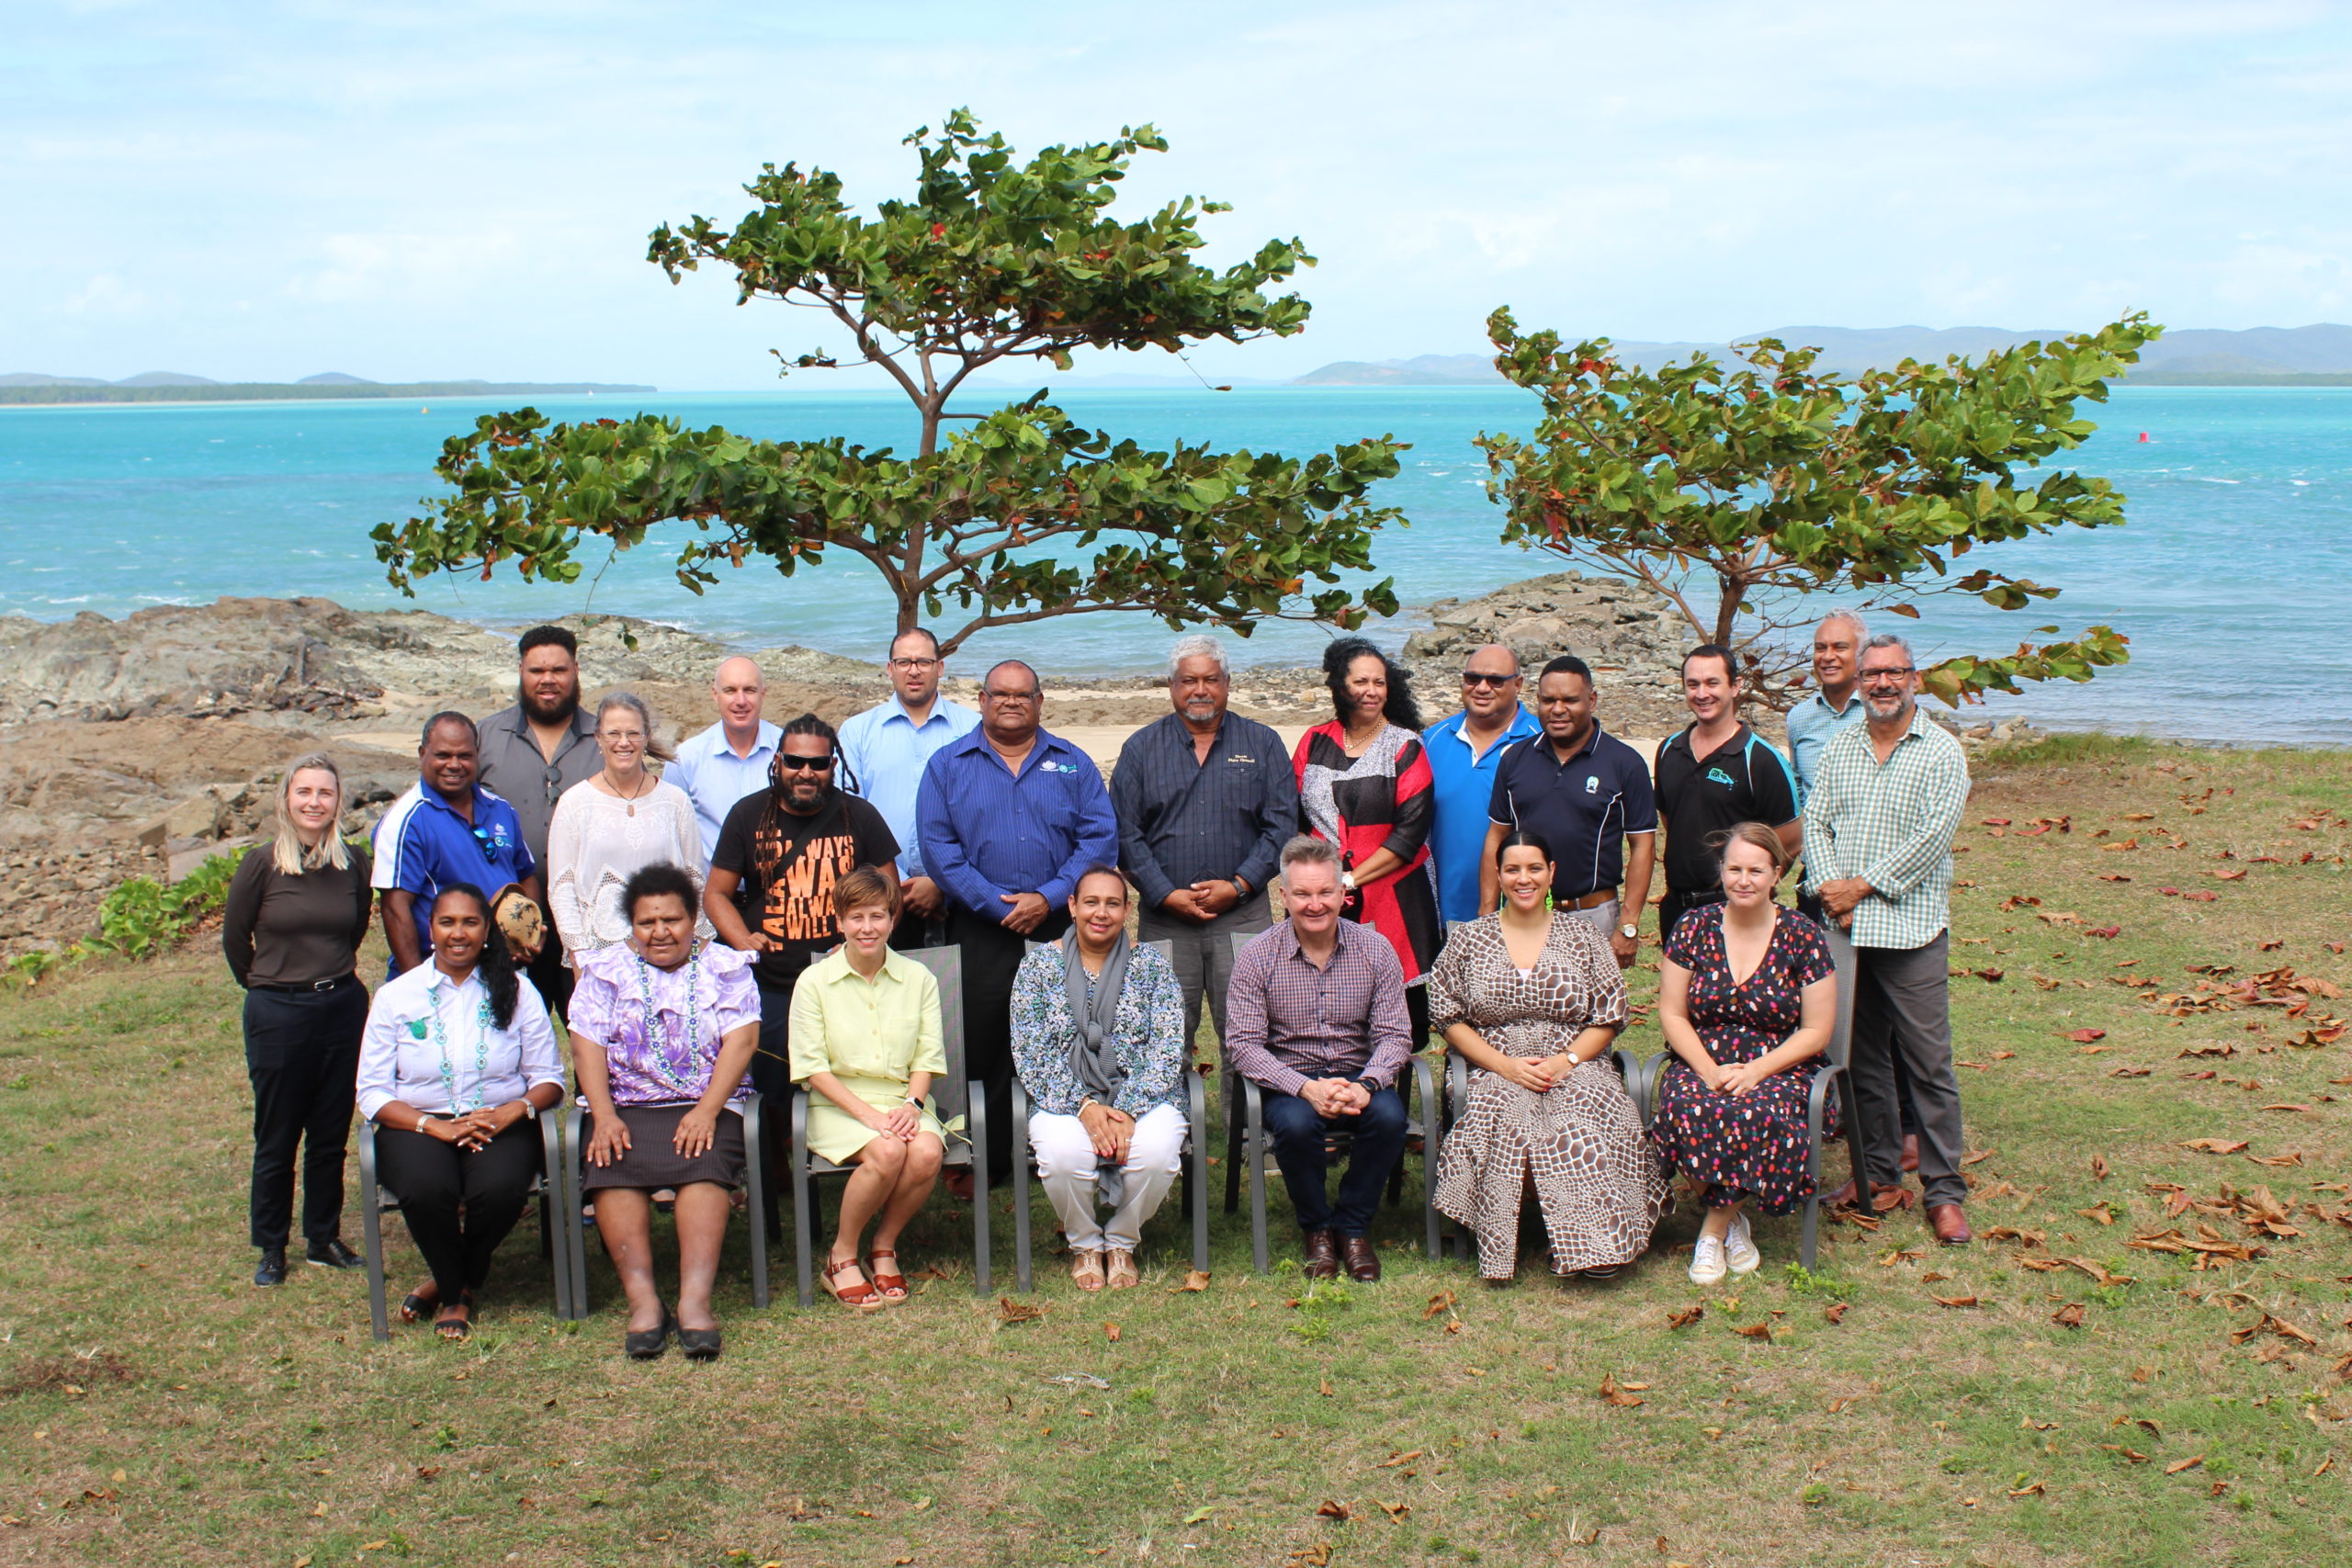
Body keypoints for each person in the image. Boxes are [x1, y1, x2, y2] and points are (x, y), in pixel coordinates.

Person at [1428, 831, 1665, 1282]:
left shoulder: (1582, 936)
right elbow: (1448, 1017)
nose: (1524, 878)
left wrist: (1565, 1062)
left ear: (1551, 873)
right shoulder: (1470, 939)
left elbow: (1608, 1016)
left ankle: (1598, 1244)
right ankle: (1511, 1236)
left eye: (1534, 868)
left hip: (1574, 1060)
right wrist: (1504, 1065)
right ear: (1497, 875)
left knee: (1582, 1116)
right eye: (1512, 869)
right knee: (1511, 1116)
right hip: (1494, 1064)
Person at [1803, 634, 1974, 1246]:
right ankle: (1875, 1175)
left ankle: (1944, 1190)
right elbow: (1816, 819)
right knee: (1860, 1061)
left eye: (1893, 672)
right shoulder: (1843, 746)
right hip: (1846, 932)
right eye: (1872, 673)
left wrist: (1862, 888)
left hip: (1910, 930)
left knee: (1928, 1064)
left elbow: (1931, 841)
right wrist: (1828, 888)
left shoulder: (1941, 753)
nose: (1881, 683)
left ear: (1914, 679)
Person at [917, 660, 1117, 1181]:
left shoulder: (1071, 763)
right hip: (981, 928)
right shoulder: (947, 765)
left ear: (1039, 702)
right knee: (980, 1041)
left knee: (1064, 1035)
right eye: (999, 694)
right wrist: (998, 905)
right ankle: (983, 1158)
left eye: (1022, 694)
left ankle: (1057, 1154)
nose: (1010, 702)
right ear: (981, 700)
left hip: (1057, 928)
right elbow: (939, 850)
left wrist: (1048, 898)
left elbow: (1098, 839)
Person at [567, 865, 762, 1359]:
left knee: (704, 1167)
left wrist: (706, 1111)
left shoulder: (726, 966)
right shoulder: (603, 971)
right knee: (612, 1164)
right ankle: (644, 1303)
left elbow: (743, 1040)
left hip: (710, 1103)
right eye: (647, 922)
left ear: (694, 919)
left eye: (672, 920)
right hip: (626, 1105)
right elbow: (585, 1045)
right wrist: (605, 1115)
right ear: (631, 925)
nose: (660, 932)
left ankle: (695, 1303)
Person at [356, 884, 565, 1339]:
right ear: (430, 929)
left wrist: (511, 1112)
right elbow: (371, 1091)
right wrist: (434, 1127)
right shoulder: (397, 996)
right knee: (426, 1188)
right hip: (416, 1123)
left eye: (470, 922)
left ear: (487, 930)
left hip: (497, 1119)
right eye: (447, 922)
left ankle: (446, 1281)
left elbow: (550, 1079)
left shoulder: (516, 990)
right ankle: (456, 1295)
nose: (458, 933)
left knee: (501, 1190)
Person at [707, 712, 900, 1185]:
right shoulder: (748, 814)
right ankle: (774, 1174)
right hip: (769, 980)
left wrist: (860, 945)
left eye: (818, 764)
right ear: (778, 762)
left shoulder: (859, 815)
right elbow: (715, 893)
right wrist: (741, 939)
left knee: (845, 1072)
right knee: (769, 1080)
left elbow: (890, 893)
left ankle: (849, 1154)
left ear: (833, 765)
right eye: (795, 761)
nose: (806, 773)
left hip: (844, 981)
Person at [1648, 823, 1838, 1284]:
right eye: (1734, 868)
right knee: (1686, 1105)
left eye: (1756, 870)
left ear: (1776, 874)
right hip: (1703, 1057)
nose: (1743, 879)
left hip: (1781, 1063)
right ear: (1722, 871)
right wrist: (1709, 1070)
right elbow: (1672, 1014)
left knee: (1757, 1111)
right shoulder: (1694, 927)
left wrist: (1757, 1070)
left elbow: (1816, 1030)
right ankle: (1734, 1223)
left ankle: (1712, 1232)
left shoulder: (1802, 934)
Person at [1225, 836, 1413, 1284]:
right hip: (1291, 1079)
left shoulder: (1376, 950)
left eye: (1325, 892)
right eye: (1303, 894)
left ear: (1343, 894)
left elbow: (1395, 1034)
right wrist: (1306, 1088)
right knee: (1295, 1124)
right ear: (1284, 897)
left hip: (1358, 1075)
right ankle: (1317, 1229)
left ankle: (1352, 1226)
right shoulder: (1257, 957)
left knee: (1389, 1118)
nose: (1315, 905)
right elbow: (1244, 1044)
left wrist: (1367, 1085)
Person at [223, 754, 373, 1287]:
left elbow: (353, 930)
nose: (314, 802)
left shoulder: (352, 863)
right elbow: (235, 942)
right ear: (286, 798)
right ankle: (271, 1245)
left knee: (330, 1130)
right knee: (278, 1131)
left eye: (325, 793)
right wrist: (274, 985)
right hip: (277, 1012)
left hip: (341, 1007)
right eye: (304, 791)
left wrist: (325, 980)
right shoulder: (261, 864)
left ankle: (323, 1237)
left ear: (338, 802)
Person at [1112, 634, 1295, 1056]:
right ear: (1172, 686)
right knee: (1163, 1034)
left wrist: (1240, 884)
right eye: (1189, 680)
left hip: (1244, 915)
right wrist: (1163, 893)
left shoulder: (1262, 744)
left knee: (1249, 1032)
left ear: (1227, 684)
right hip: (1166, 919)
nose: (1200, 690)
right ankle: (1171, 1122)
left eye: (1210, 680)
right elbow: (1124, 831)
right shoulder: (1141, 749)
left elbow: (1282, 825)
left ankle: (1245, 1123)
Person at [1009, 867, 1191, 1291]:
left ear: (1127, 910)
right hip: (1063, 1098)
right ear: (1072, 906)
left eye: (1113, 903)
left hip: (1145, 1096)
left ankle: (1123, 1239)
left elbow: (1167, 1047)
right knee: (1062, 1155)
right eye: (1091, 902)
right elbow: (1031, 1052)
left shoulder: (1153, 968)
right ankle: (1086, 1243)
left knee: (1159, 1150)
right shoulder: (1037, 968)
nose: (1101, 913)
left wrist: (1126, 1107)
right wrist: (1085, 1108)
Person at [1786, 609, 1920, 1176]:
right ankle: (1842, 1109)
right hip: (1821, 880)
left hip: (1882, 884)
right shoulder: (1800, 720)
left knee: (1892, 1015)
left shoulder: (1887, 714)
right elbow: (1803, 805)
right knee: (1832, 1008)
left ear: (1864, 659)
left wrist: (1863, 884)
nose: (1828, 656)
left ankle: (1908, 1125)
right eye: (1819, 647)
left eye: (1840, 647)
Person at [789, 868, 949, 1310]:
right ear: (839, 920)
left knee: (926, 1152)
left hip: (903, 1099)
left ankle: (883, 1245)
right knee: (889, 1150)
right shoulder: (814, 982)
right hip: (837, 1103)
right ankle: (841, 1255)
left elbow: (927, 1057)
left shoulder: (919, 978)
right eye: (856, 917)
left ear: (893, 919)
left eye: (877, 916)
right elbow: (812, 1069)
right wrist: (871, 1117)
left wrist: (913, 1105)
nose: (867, 928)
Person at [1293, 637, 1442, 1046]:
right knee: (1331, 1007)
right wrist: (1324, 878)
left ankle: (1390, 1098)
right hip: (1325, 894)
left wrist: (1351, 880)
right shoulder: (1314, 741)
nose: (1371, 691)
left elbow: (1409, 834)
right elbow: (1297, 815)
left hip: (1395, 893)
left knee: (1400, 1020)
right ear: (1341, 686)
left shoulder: (1405, 745)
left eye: (1379, 682)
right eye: (1361, 681)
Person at [1482, 656, 1657, 968]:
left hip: (1593, 915)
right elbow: (1497, 835)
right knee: (1524, 1008)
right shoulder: (1515, 759)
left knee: (1592, 1014)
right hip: (1524, 911)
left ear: (1591, 700)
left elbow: (1642, 845)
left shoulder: (1624, 762)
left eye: (1569, 700)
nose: (1558, 709)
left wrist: (1628, 925)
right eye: (1548, 700)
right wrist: (1486, 914)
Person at [473, 626, 601, 1018]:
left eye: (559, 670)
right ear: (520, 671)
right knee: (506, 1039)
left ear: (576, 670)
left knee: (594, 1040)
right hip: (505, 925)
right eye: (536, 670)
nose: (548, 680)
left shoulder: (606, 740)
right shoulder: (485, 738)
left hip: (588, 928)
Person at [839, 627, 980, 948]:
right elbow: (848, 815)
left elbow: (984, 815)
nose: (914, 670)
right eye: (904, 662)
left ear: (940, 668)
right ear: (890, 669)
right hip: (880, 895)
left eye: (924, 662)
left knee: (953, 993)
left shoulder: (973, 728)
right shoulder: (858, 732)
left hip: (960, 895)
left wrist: (941, 882)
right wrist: (896, 882)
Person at [371, 712, 540, 977]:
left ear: (478, 754)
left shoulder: (501, 809)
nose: (454, 764)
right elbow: (395, 909)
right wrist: (417, 987)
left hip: (502, 971)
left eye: (464, 755)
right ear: (422, 753)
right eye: (443, 755)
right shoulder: (406, 822)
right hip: (442, 974)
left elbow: (526, 873)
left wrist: (527, 930)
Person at [545, 692, 708, 965]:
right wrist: (579, 955)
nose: (624, 743)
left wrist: (694, 949)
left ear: (645, 738)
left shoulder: (675, 801)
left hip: (666, 951)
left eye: (633, 733)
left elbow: (694, 881)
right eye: (614, 734)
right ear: (598, 738)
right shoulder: (574, 803)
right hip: (598, 955)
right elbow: (562, 887)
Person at [1652, 645, 1800, 943]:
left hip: (1737, 914)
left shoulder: (1761, 759)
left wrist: (1749, 892)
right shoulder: (1669, 750)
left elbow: (1792, 841)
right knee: (1677, 992)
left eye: (1712, 683)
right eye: (1693, 684)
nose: (1702, 693)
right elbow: (1674, 822)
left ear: (1736, 686)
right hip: (1677, 910)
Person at [1422, 644, 1541, 927]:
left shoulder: (1542, 742)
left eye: (1495, 680)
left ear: (1519, 684)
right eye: (1472, 678)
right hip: (1441, 910)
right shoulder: (1432, 740)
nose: (1482, 688)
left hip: (1520, 910)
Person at [667, 656, 781, 868]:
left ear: (763, 694)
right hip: (710, 895)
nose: (741, 701)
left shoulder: (787, 751)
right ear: (715, 694)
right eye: (730, 690)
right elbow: (671, 833)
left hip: (782, 893)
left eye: (749, 690)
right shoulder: (686, 758)